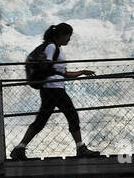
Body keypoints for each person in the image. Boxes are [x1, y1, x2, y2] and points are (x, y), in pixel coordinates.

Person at [11, 23, 101, 159]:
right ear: (61, 35)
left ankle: (20, 148)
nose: (69, 39)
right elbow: (47, 66)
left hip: (53, 88)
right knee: (72, 115)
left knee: (42, 119)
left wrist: (82, 72)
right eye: (68, 36)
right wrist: (53, 69)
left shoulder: (56, 49)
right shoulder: (51, 46)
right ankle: (80, 148)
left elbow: (63, 73)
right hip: (53, 88)